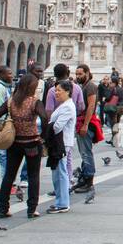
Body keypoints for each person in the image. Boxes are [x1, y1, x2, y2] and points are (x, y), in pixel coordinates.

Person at [0, 72, 47, 219]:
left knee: (9, 176)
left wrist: (0, 128)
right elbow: (44, 118)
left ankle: (3, 209)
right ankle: (31, 209)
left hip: (15, 143)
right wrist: (43, 136)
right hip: (32, 143)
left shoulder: (11, 101)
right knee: (33, 176)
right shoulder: (35, 102)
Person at [47, 79, 76, 214]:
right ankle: (60, 201)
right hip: (60, 143)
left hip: (62, 143)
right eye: (55, 90)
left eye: (59, 90)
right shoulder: (65, 105)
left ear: (67, 91)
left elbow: (57, 127)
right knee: (57, 172)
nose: (56, 93)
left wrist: (47, 127)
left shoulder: (67, 107)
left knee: (60, 173)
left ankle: (63, 203)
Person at [72, 64, 98, 193]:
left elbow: (91, 106)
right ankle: (83, 178)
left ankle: (89, 181)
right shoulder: (83, 86)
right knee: (84, 152)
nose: (77, 76)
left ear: (87, 73)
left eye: (80, 74)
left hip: (86, 123)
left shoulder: (90, 86)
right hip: (81, 122)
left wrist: (85, 125)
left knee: (86, 153)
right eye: (76, 74)